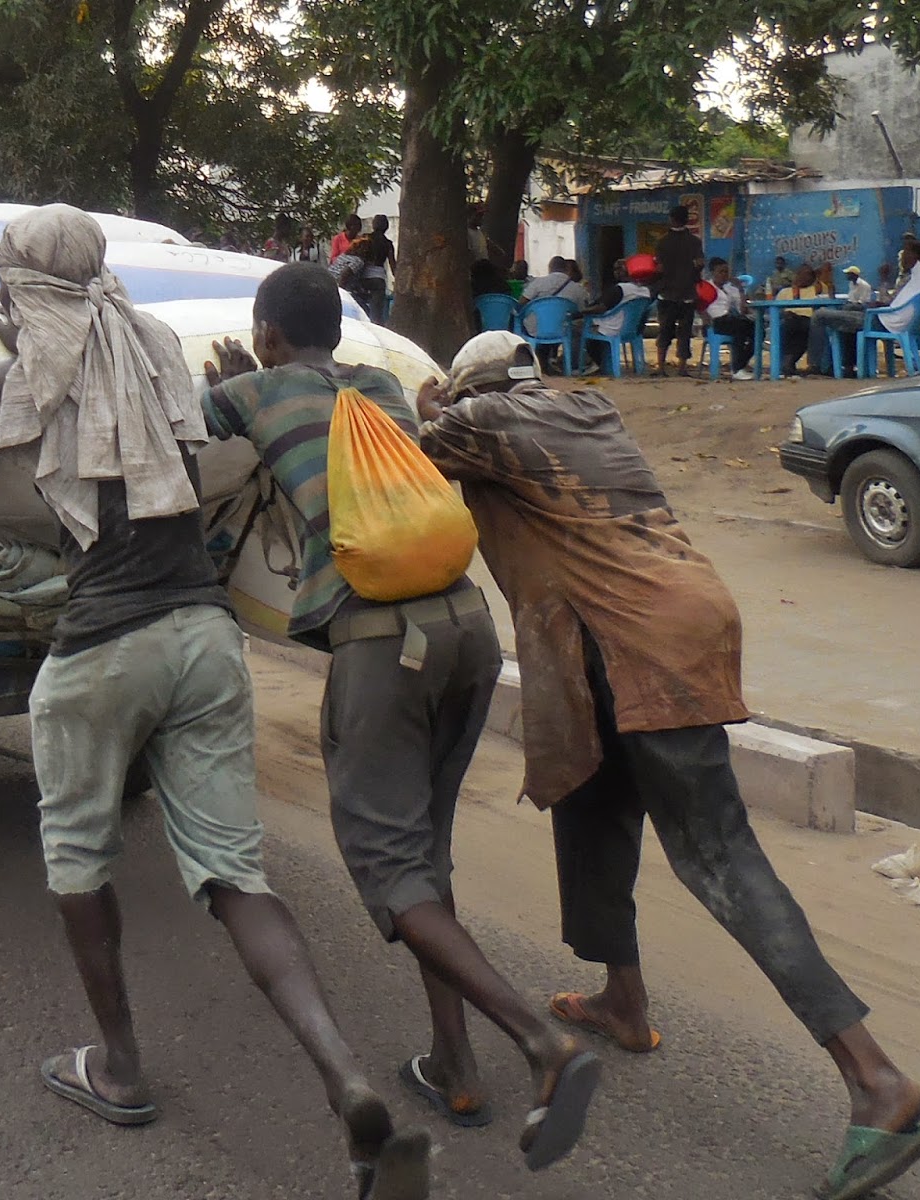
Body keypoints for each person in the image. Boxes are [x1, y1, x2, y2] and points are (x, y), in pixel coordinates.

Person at [0, 207, 432, 1200]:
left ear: (21, 288)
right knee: (235, 877)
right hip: (203, 640)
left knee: (78, 862)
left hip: (101, 647)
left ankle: (117, 1066)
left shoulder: (28, 371)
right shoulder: (155, 342)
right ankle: (345, 1080)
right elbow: (98, 367)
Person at [414, 329, 920, 1200]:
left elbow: (416, 446)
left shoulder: (489, 417)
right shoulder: (583, 407)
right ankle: (622, 1000)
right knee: (588, 806)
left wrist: (425, 402)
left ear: (478, 387)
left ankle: (877, 1083)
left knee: (721, 861)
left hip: (637, 640)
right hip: (647, 625)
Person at [200, 263, 602, 1172]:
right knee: (423, 850)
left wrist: (233, 383)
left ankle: (541, 1044)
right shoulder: (378, 386)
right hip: (465, 628)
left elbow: (195, 428)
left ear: (265, 332)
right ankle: (453, 1064)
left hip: (383, 646)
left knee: (387, 862)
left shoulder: (254, 390)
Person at [653, 205, 704, 377]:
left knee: (664, 330)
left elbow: (658, 269)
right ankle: (682, 368)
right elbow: (699, 264)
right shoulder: (694, 242)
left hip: (667, 293)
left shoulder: (662, 242)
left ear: (671, 219)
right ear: (687, 220)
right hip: (687, 294)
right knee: (685, 332)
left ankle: (660, 366)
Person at [520, 256, 589, 373]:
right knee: (577, 328)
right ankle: (569, 364)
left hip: (535, 329)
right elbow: (582, 310)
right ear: (565, 268)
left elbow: (522, 302)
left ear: (550, 268)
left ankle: (534, 362)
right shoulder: (577, 288)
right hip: (563, 330)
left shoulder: (538, 283)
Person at [580, 260, 649, 374]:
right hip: (633, 330)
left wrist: (582, 311)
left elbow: (601, 308)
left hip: (613, 328)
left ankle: (598, 364)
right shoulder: (645, 291)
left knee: (585, 331)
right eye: (615, 269)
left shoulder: (619, 289)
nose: (616, 272)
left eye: (620, 269)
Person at [811, 266, 876, 377]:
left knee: (819, 315)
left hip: (860, 314)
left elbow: (863, 304)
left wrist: (849, 307)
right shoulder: (851, 284)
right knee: (841, 327)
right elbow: (850, 300)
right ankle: (842, 366)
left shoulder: (864, 286)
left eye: (849, 274)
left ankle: (818, 364)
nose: (847, 276)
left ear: (854, 274)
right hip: (852, 313)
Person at [703, 259, 755, 379]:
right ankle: (737, 369)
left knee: (758, 330)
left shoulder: (730, 289)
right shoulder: (706, 287)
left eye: (726, 272)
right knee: (740, 328)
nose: (724, 275)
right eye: (720, 272)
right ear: (712, 272)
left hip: (731, 320)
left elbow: (742, 310)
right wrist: (705, 319)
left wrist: (740, 290)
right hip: (715, 321)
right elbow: (700, 306)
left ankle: (740, 364)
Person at [774, 265, 825, 376]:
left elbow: (827, 296)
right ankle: (788, 363)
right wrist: (784, 313)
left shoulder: (817, 289)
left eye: (807, 274)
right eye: (800, 274)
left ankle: (788, 363)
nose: (802, 277)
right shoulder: (785, 292)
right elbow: (776, 310)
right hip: (789, 320)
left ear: (812, 277)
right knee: (791, 325)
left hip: (809, 320)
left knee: (805, 328)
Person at [357, 215, 396, 323]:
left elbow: (356, 256)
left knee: (358, 309)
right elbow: (393, 266)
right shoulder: (388, 244)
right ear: (386, 227)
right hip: (379, 280)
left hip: (363, 278)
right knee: (377, 315)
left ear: (373, 225)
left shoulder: (365, 238)